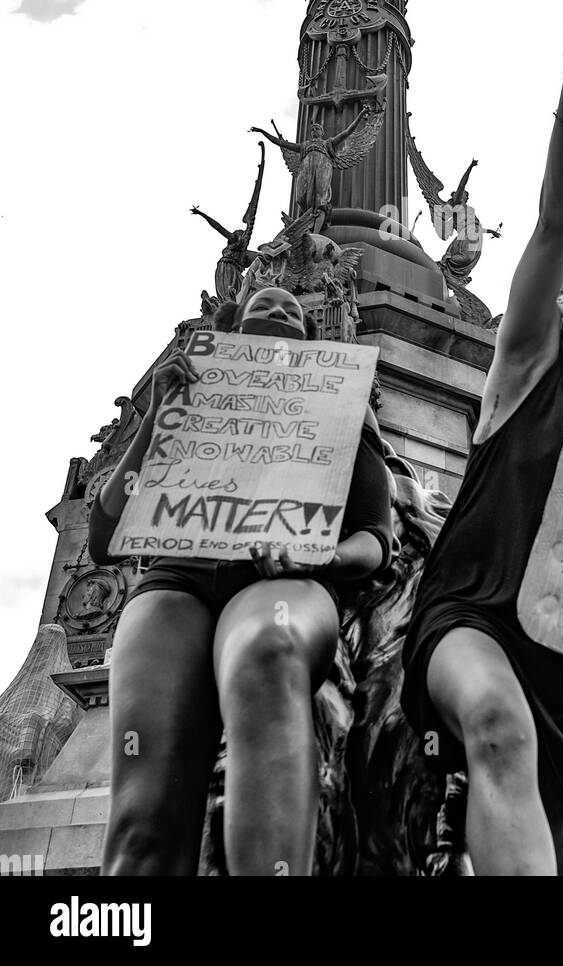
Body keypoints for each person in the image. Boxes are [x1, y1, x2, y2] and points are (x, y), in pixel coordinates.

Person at [400, 10, 563, 877]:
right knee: (498, 728)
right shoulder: (522, 365)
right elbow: (553, 222)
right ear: (559, 294)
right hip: (474, 617)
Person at [90, 285, 393, 876]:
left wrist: (318, 560)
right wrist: (155, 418)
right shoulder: (187, 395)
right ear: (233, 330)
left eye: (293, 312)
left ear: (311, 339)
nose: (280, 313)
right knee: (143, 818)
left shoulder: (339, 403)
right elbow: (104, 539)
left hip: (285, 582)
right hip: (176, 582)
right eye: (265, 307)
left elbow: (373, 540)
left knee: (266, 648)